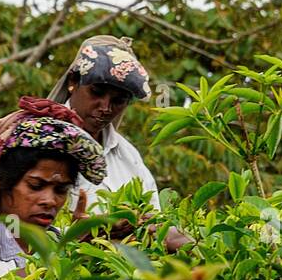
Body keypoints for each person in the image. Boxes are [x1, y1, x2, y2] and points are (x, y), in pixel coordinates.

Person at [44, 35, 193, 252]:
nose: (106, 107)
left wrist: (151, 231)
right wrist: (78, 237)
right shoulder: (37, 139)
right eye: (97, 92)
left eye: (119, 100)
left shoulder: (128, 158)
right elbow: (8, 228)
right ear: (73, 83)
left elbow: (155, 226)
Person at [0, 110, 106, 280]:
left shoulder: (56, 239)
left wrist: (90, 244)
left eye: (61, 190)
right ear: (1, 182)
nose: (50, 201)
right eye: (35, 186)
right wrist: (67, 255)